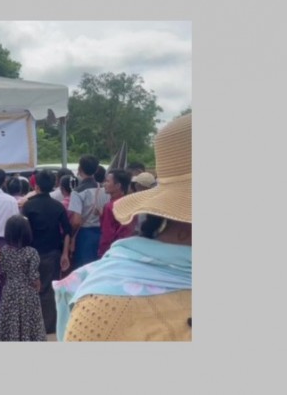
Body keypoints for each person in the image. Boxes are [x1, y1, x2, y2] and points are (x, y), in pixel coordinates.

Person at [54, 113, 192, 341]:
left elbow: (79, 222)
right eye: (105, 180)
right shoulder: (104, 199)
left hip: (96, 241)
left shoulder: (102, 304)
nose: (106, 184)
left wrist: (77, 243)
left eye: (109, 181)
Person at [21, 169, 72, 334]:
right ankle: (49, 326)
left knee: (31, 288)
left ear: (36, 186)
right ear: (53, 185)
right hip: (53, 252)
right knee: (50, 289)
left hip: (32, 253)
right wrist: (65, 254)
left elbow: (23, 231)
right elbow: (67, 231)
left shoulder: (28, 206)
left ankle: (33, 325)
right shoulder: (58, 206)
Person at [0, 215, 46, 341]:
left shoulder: (3, 251)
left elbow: (1, 271)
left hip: (9, 291)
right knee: (29, 321)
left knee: (10, 320)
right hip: (27, 293)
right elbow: (33, 276)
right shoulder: (31, 252)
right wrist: (37, 284)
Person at [68, 155, 111, 271]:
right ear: (96, 170)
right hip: (102, 234)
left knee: (84, 270)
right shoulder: (104, 189)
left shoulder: (77, 192)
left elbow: (76, 221)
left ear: (79, 169)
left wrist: (70, 236)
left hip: (85, 236)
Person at [97, 169, 137, 256]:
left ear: (118, 185)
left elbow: (107, 234)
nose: (104, 184)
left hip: (112, 250)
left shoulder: (110, 207)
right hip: (128, 249)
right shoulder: (130, 203)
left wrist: (102, 252)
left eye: (107, 181)